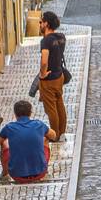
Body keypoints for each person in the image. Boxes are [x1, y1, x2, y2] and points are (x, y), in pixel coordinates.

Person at [0, 99, 58, 183]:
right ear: (30, 113)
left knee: (3, 142)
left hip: (16, 175)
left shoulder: (9, 127)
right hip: (40, 173)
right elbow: (53, 136)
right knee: (46, 138)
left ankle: (4, 174)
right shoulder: (39, 124)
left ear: (15, 114)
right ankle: (45, 169)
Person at [38, 11, 69, 139]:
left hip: (49, 79)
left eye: (41, 22)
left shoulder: (46, 41)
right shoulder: (61, 37)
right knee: (59, 104)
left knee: (51, 108)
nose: (39, 24)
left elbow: (44, 60)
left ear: (47, 23)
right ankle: (62, 133)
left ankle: (54, 135)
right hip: (59, 76)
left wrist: (42, 73)